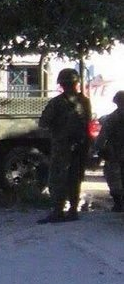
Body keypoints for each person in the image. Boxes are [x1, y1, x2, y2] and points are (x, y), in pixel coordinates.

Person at [37, 68, 92, 223]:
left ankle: (58, 210)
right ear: (76, 83)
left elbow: (43, 122)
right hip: (80, 145)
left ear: (61, 84)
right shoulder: (85, 101)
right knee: (75, 177)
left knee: (57, 177)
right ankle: (73, 210)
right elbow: (87, 122)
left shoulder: (57, 102)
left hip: (62, 146)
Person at [96, 90, 124, 212]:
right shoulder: (112, 118)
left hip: (116, 154)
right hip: (116, 153)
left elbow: (102, 137)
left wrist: (98, 149)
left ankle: (118, 203)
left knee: (114, 178)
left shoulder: (112, 118)